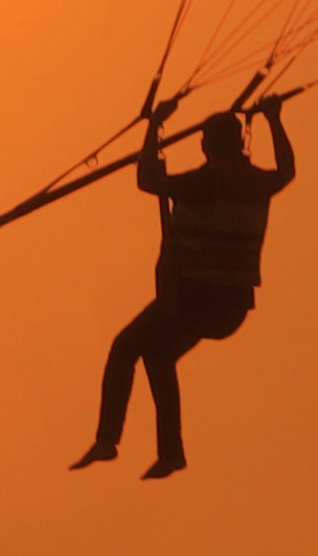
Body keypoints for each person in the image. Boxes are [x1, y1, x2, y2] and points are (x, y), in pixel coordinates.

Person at [76, 92, 295, 479]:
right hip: (231, 309)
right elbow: (287, 171)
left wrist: (154, 127)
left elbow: (148, 180)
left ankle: (108, 439)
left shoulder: (207, 181)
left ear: (208, 146)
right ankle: (171, 452)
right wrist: (274, 119)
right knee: (158, 356)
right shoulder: (258, 182)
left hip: (192, 299)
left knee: (125, 346)